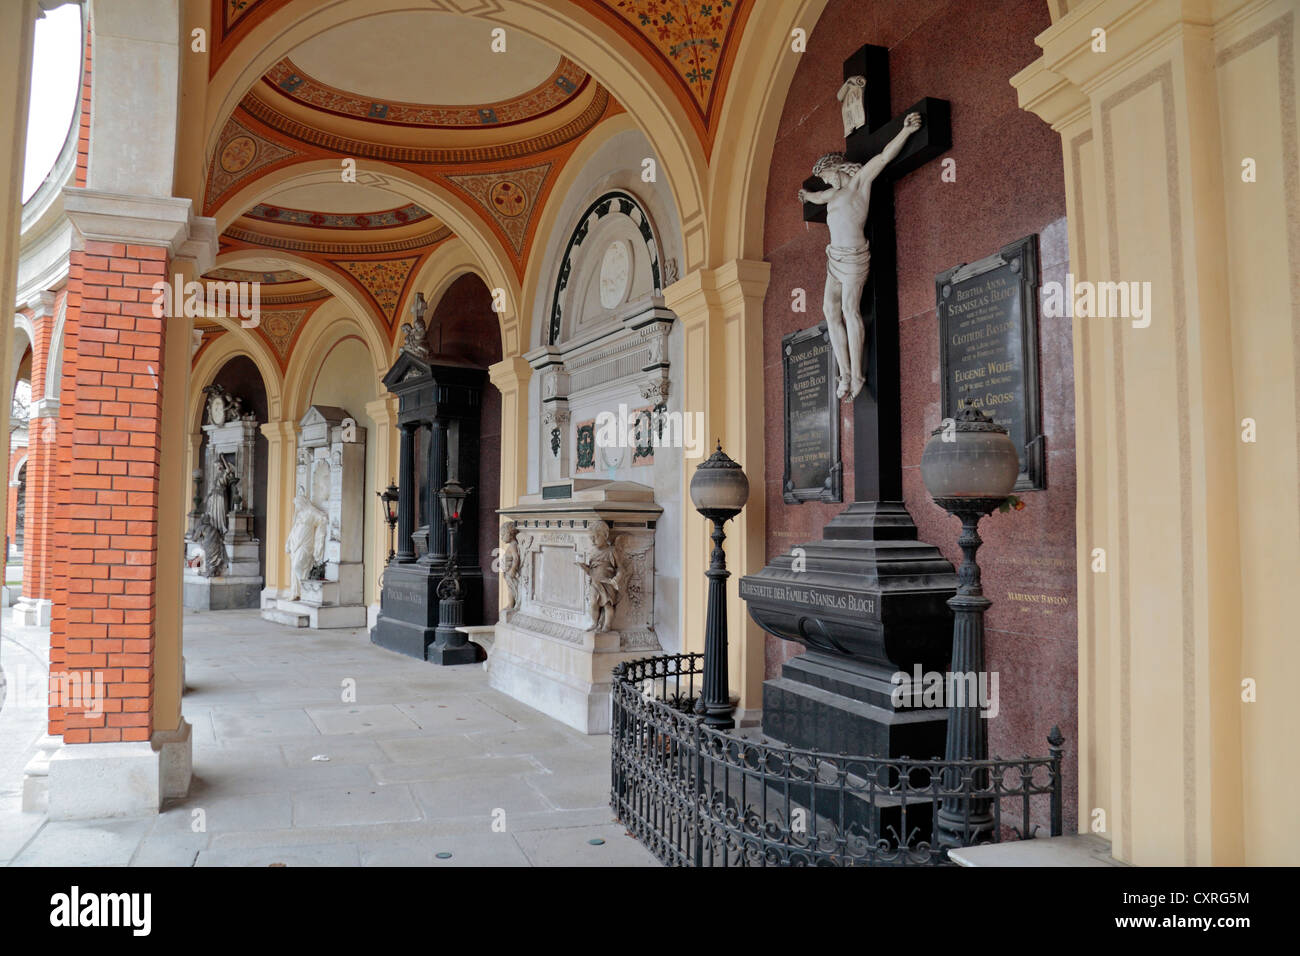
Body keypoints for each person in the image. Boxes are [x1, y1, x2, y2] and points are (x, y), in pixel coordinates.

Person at [798, 111, 922, 399]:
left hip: (854, 256)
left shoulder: (859, 183)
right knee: (830, 311)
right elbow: (816, 197)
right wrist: (806, 196)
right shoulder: (830, 195)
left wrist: (905, 131)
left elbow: (883, 158)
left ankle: (858, 374)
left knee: (849, 311)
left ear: (838, 168)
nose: (827, 182)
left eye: (828, 176)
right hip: (834, 258)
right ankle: (844, 373)